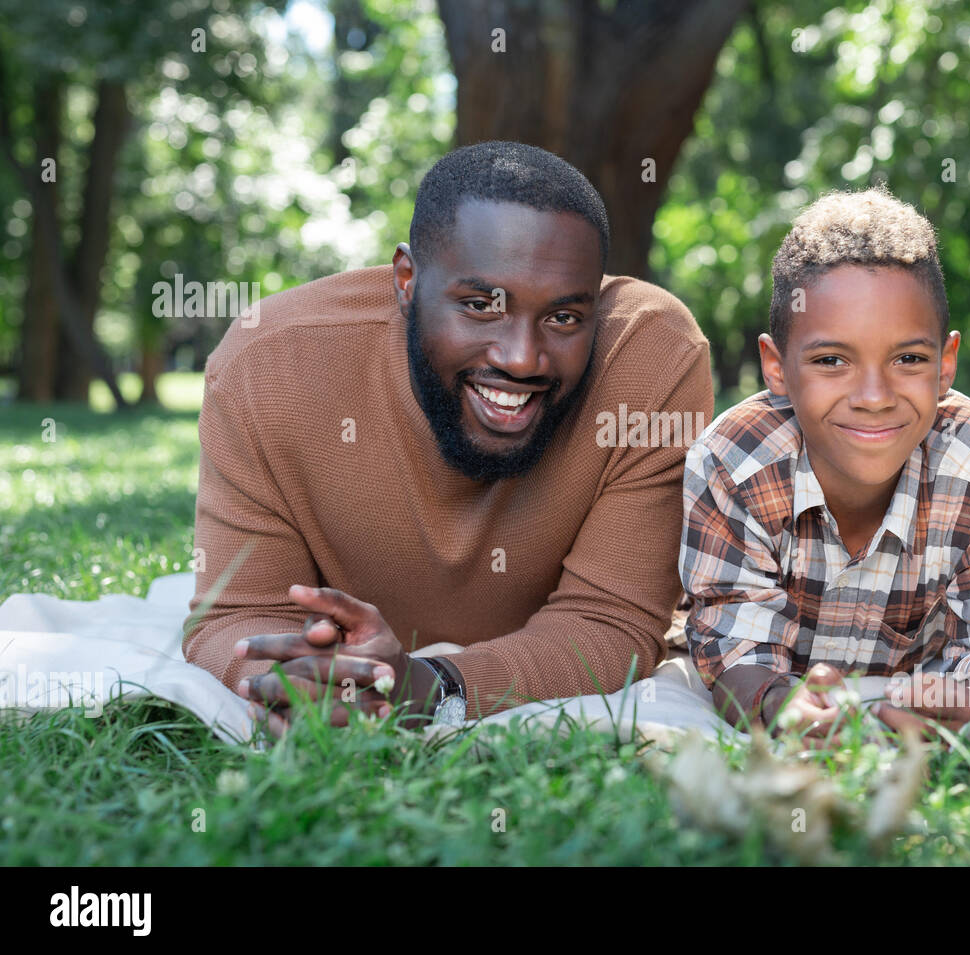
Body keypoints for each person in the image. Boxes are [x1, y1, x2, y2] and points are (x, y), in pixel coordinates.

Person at [183, 141, 713, 737]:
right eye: (481, 305)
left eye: (564, 318)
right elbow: (235, 615)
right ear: (407, 279)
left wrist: (425, 686)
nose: (521, 359)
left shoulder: (651, 359)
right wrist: (297, 681)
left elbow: (613, 622)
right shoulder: (268, 367)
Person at [678, 186, 970, 746]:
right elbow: (732, 645)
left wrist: (966, 698)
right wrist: (780, 702)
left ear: (946, 365)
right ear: (776, 367)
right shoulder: (733, 461)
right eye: (831, 361)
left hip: (924, 656)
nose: (874, 396)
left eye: (908, 359)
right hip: (785, 665)